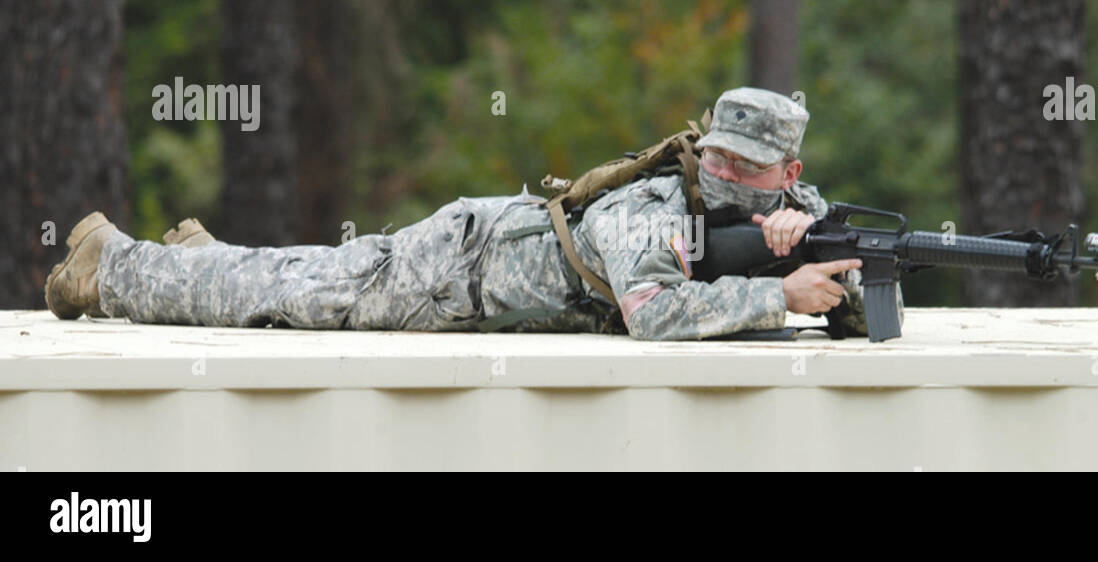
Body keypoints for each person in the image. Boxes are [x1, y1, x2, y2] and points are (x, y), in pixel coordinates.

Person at [44, 87, 877, 340]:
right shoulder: (662, 201)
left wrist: (828, 270)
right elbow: (652, 313)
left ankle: (202, 254)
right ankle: (107, 262)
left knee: (290, 278)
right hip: (457, 272)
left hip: (484, 289)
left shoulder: (799, 210)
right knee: (285, 300)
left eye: (747, 165)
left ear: (790, 173)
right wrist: (779, 294)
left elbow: (868, 310)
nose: (724, 171)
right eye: (718, 153)